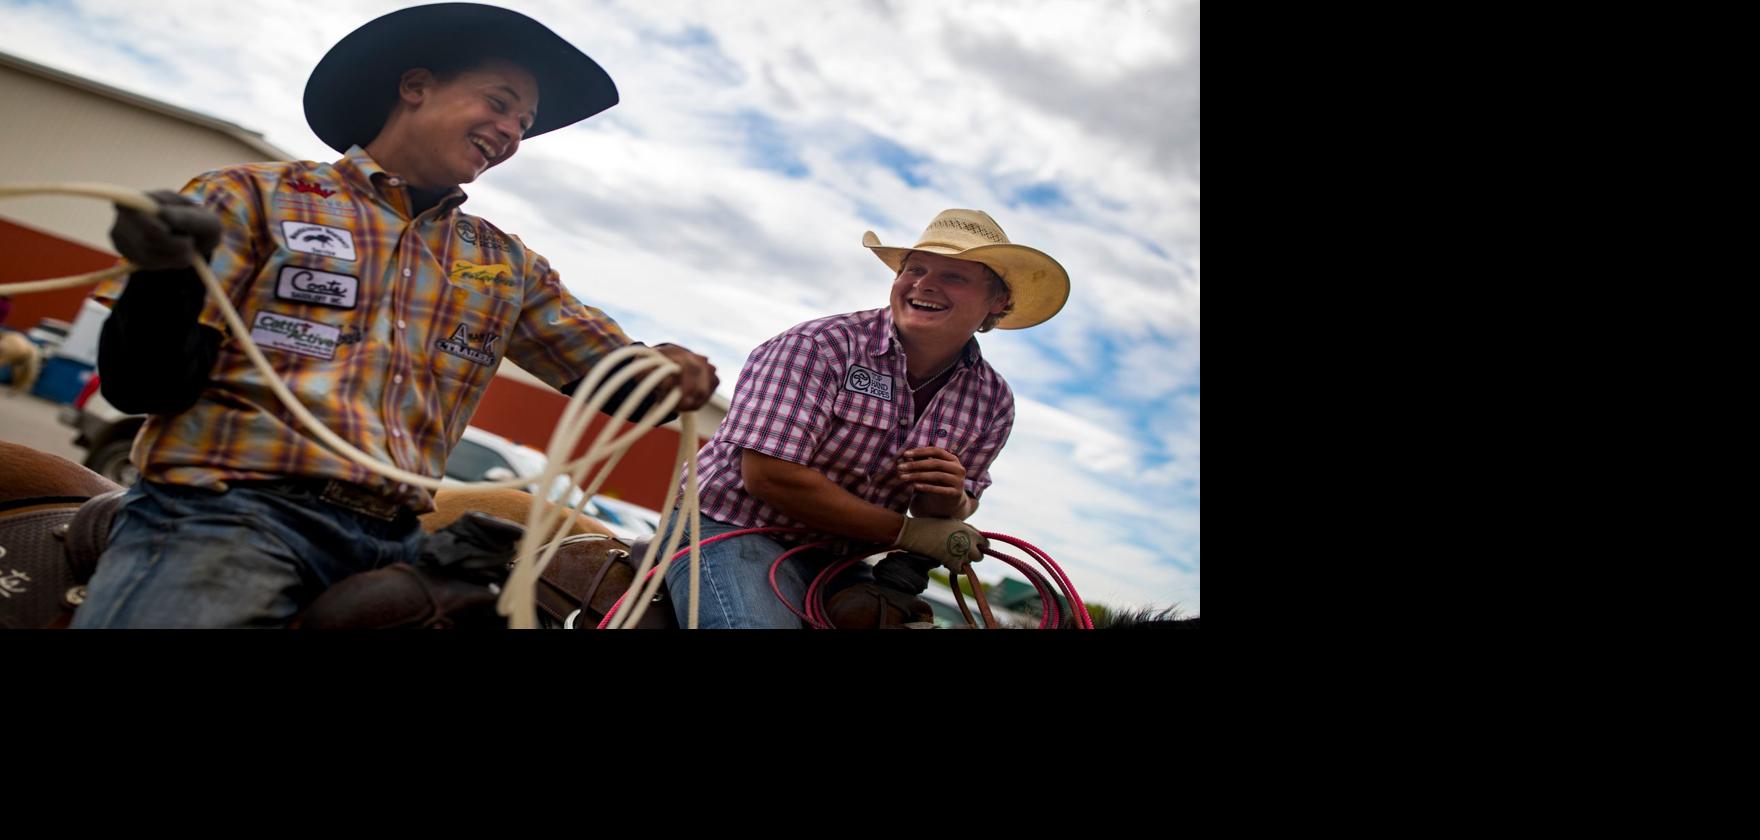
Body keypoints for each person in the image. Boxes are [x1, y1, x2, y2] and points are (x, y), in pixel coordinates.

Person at [73, 3, 717, 628]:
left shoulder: (507, 264)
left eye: (524, 121)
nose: (512, 132)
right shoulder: (247, 196)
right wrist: (163, 278)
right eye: (499, 102)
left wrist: (668, 370)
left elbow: (618, 376)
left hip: (396, 538)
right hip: (227, 513)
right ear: (415, 86)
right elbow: (143, 388)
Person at [661, 208, 1068, 628]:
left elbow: (954, 506)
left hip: (838, 559)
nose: (924, 283)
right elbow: (768, 475)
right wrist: (907, 533)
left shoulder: (992, 400)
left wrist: (948, 499)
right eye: (915, 269)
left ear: (996, 302)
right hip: (729, 528)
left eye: (954, 276)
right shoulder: (820, 346)